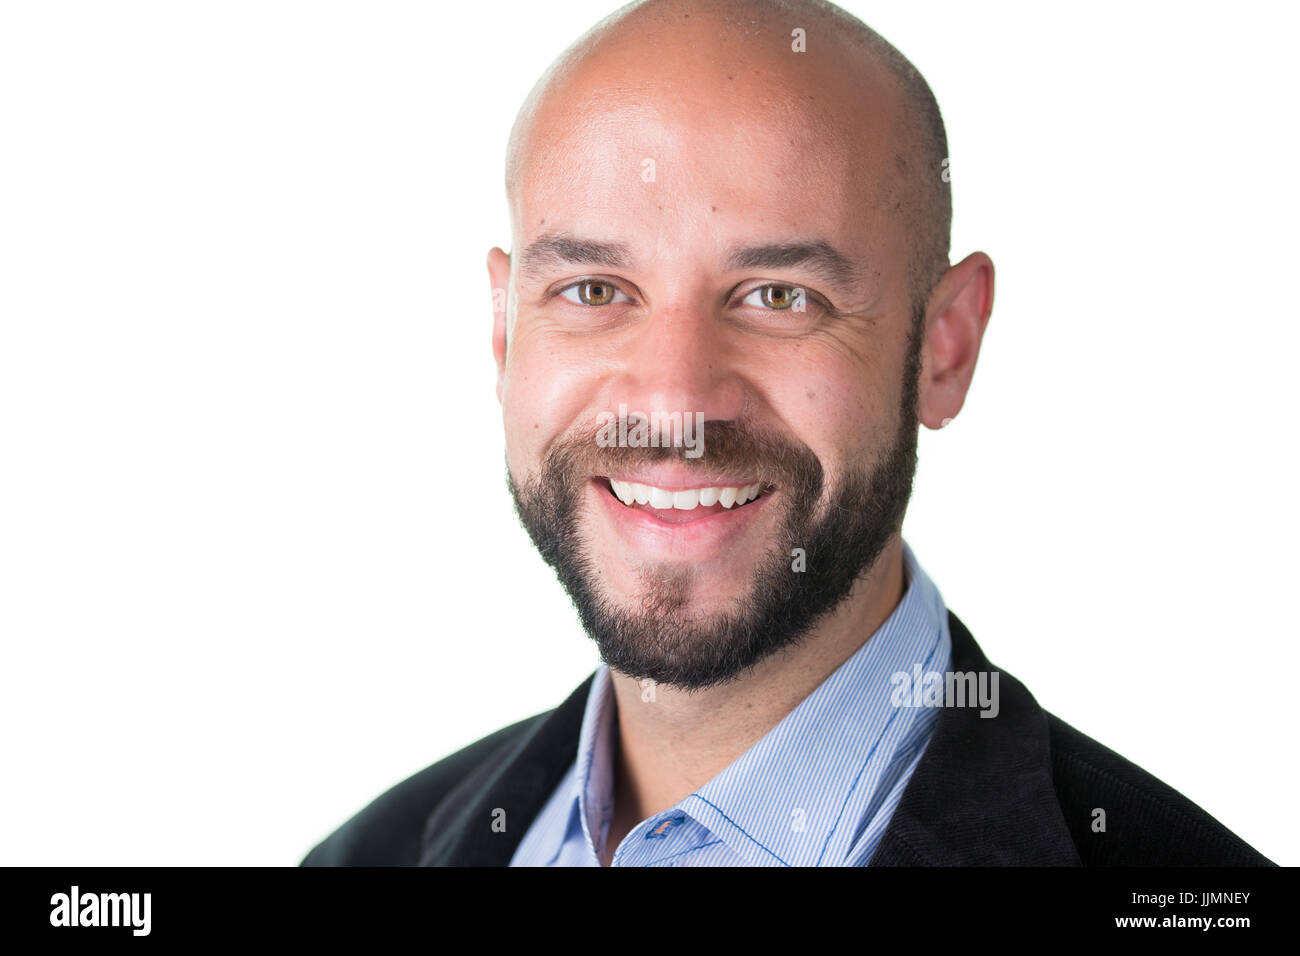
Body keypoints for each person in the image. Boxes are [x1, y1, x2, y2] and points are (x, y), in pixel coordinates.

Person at [302, 0, 1273, 866]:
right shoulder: (364, 853)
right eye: (594, 289)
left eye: (779, 296)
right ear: (507, 331)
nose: (676, 401)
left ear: (945, 346)